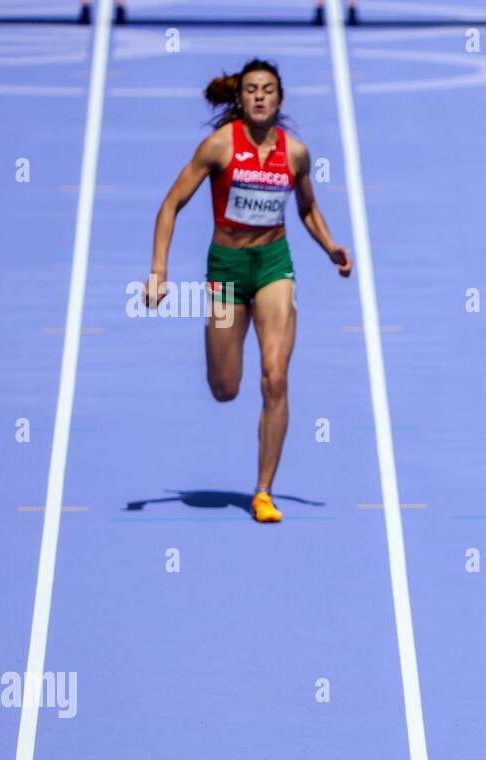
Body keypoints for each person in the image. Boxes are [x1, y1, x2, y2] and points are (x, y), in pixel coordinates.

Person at [144, 59, 352, 522]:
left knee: (275, 377)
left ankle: (263, 492)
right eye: (252, 89)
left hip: (275, 267)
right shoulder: (219, 146)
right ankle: (221, 359)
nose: (260, 96)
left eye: (269, 89)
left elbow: (308, 209)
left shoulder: (295, 154)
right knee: (225, 388)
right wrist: (159, 272)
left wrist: (331, 247)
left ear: (280, 99)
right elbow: (170, 205)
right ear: (239, 99)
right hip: (225, 273)